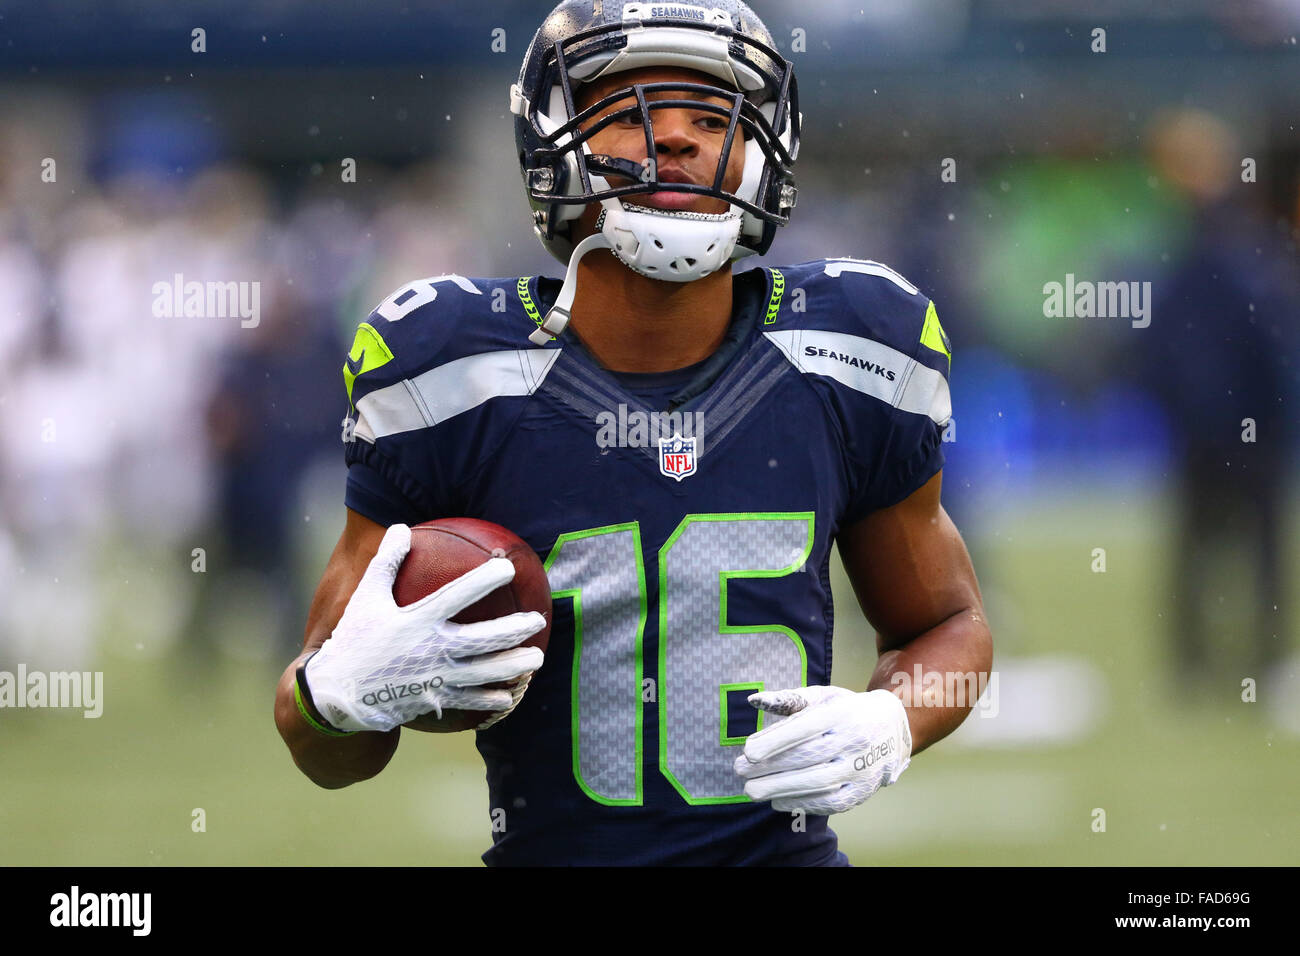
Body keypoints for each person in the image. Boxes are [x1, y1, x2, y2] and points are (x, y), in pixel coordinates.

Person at [274, 0, 992, 866]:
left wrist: (894, 719)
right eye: (631, 110)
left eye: (711, 114)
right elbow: (324, 746)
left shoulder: (851, 346)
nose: (677, 138)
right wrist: (340, 695)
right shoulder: (444, 370)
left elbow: (945, 623)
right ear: (552, 141)